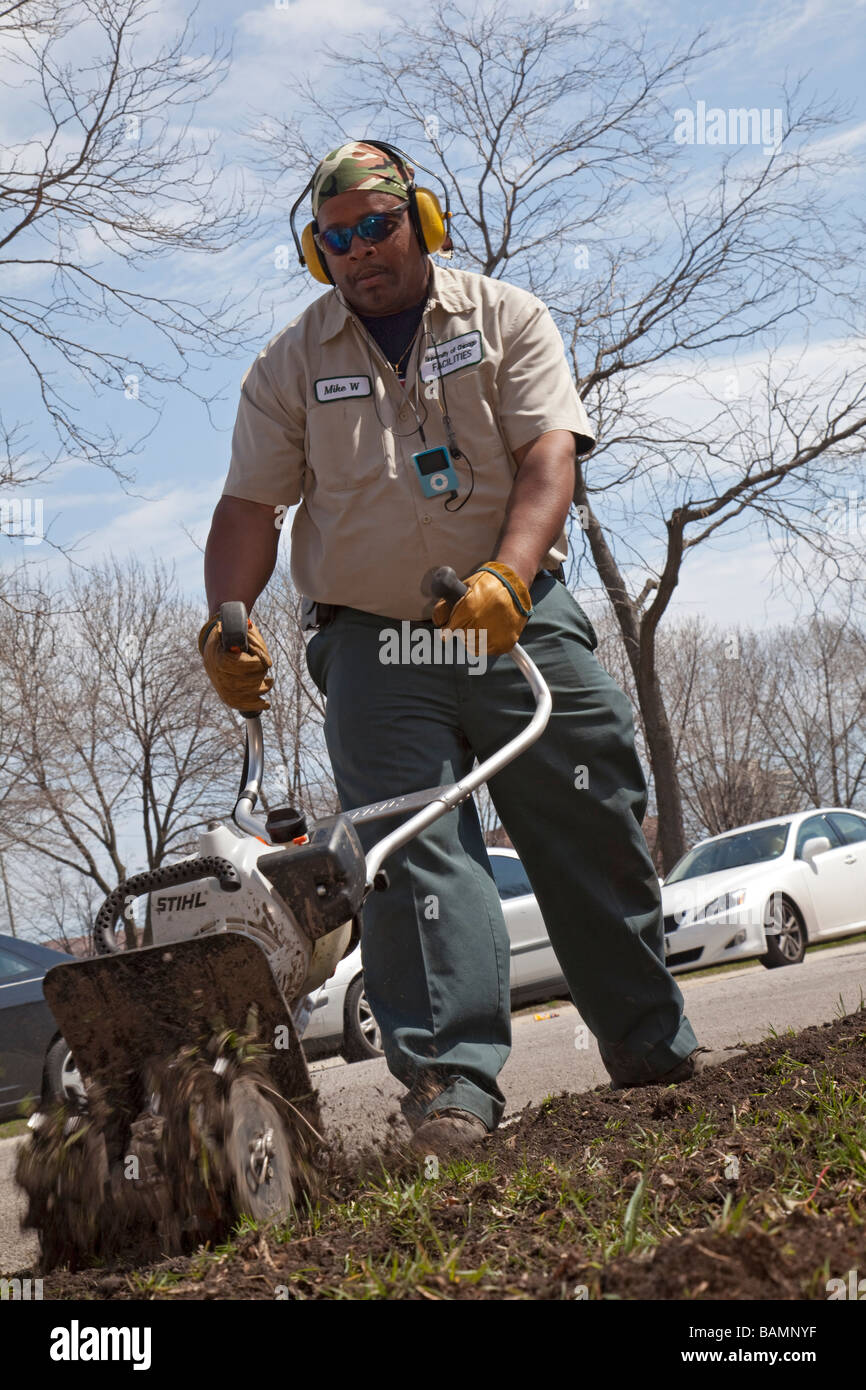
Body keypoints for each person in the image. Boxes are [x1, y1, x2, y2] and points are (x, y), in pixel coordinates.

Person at [200, 140, 699, 1157]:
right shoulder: (289, 363)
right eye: (333, 238)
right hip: (375, 642)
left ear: (420, 221)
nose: (356, 251)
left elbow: (546, 457)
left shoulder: (505, 318)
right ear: (316, 253)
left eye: (375, 225)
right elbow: (249, 505)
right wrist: (226, 612)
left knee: (590, 802)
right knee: (405, 840)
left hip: (512, 612)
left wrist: (508, 578)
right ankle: (450, 1091)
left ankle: (650, 1049)